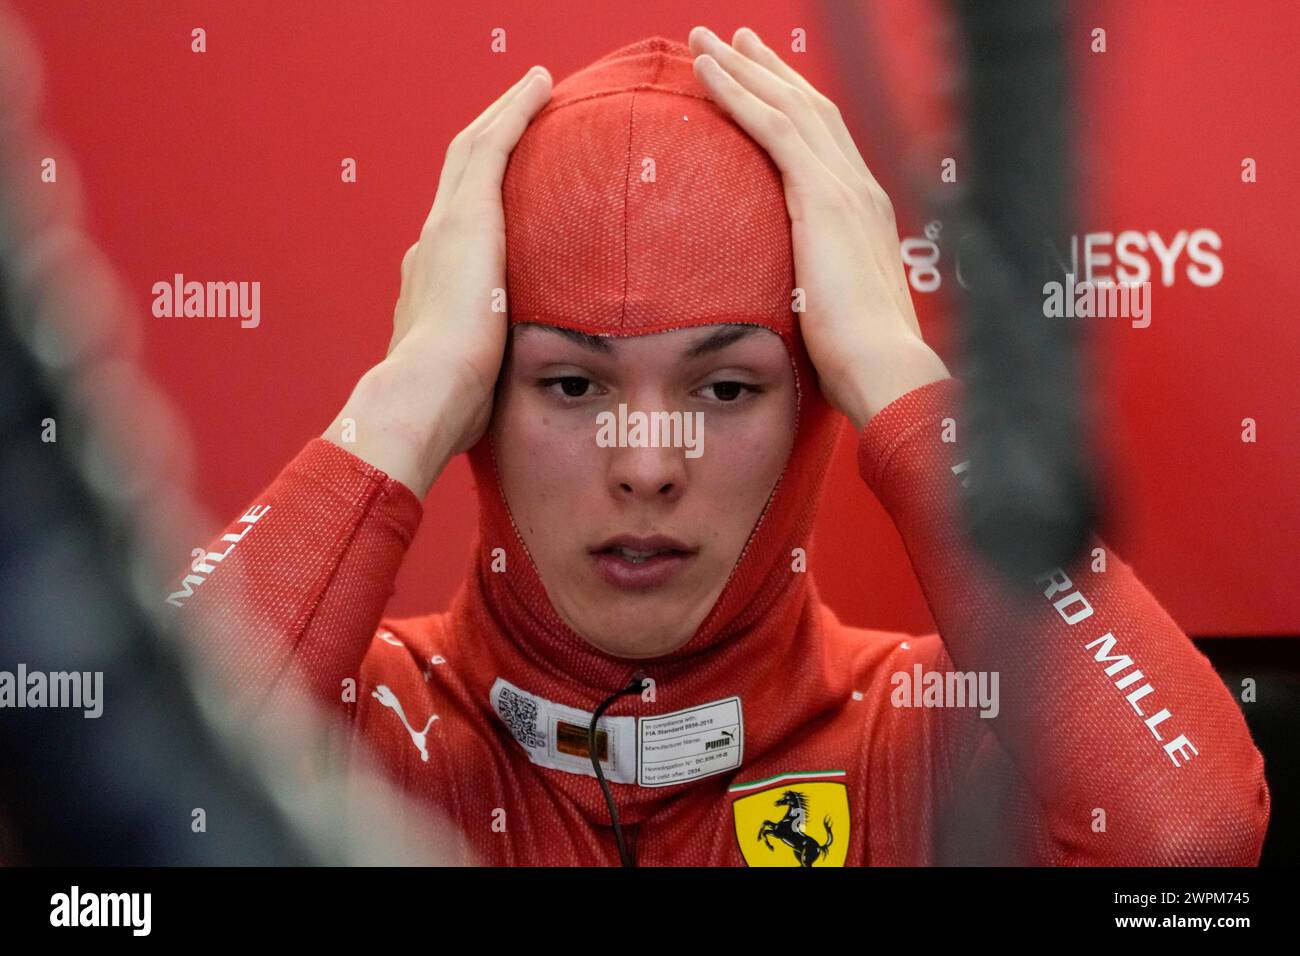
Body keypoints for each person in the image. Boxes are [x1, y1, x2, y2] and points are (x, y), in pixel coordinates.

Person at [168, 30, 1270, 866]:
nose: (647, 463)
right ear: (478, 402)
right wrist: (399, 399)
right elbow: (106, 808)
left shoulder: (930, 737)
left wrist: (896, 371)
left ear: (817, 399)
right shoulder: (354, 731)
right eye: (570, 383)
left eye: (727, 387)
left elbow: (1191, 839)